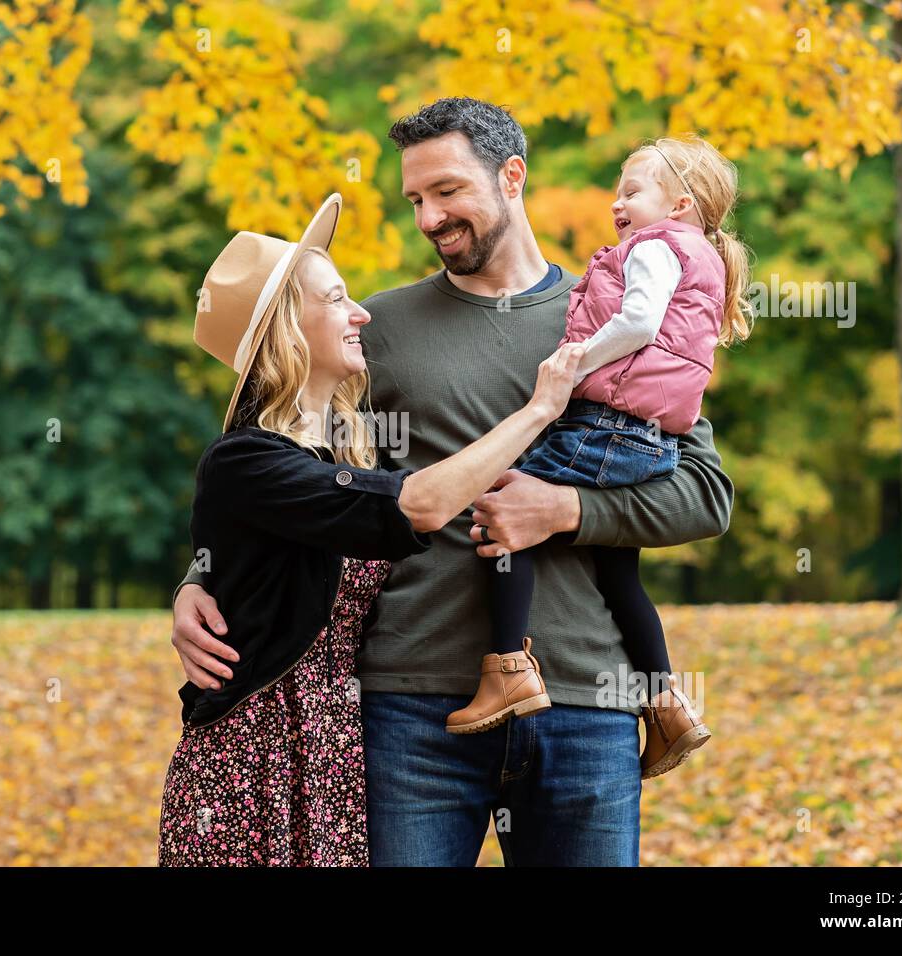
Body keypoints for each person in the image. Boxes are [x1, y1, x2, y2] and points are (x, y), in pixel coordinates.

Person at [174, 97, 734, 866]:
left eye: (448, 191)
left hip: (585, 702)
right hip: (411, 706)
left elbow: (704, 492)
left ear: (512, 177)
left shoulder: (612, 315)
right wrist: (202, 578)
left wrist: (564, 509)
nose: (430, 217)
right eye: (415, 200)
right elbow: (281, 470)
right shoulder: (377, 331)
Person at [158, 191, 585, 865]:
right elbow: (418, 506)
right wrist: (539, 410)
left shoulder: (348, 448)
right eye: (333, 300)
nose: (361, 312)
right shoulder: (248, 460)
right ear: (285, 332)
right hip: (256, 758)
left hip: (331, 748)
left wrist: (194, 581)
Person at [450, 135, 753, 784]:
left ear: (680, 203)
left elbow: (639, 323)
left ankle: (507, 667)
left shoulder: (655, 247)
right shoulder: (697, 257)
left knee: (506, 511)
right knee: (617, 569)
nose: (618, 202)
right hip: (646, 433)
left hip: (610, 421)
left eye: (633, 190)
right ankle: (665, 704)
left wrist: (571, 364)